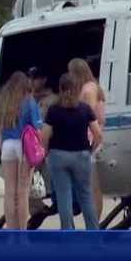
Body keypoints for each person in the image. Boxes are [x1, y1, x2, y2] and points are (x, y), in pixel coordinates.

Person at [43, 74, 103, 230]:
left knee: (64, 197)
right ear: (77, 90)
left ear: (60, 90)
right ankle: (93, 232)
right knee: (86, 196)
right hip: (81, 156)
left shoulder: (54, 110)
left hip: (58, 156)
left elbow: (45, 135)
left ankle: (68, 233)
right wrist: (91, 149)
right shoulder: (85, 109)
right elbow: (98, 134)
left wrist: (46, 152)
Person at [0, 71, 43, 229]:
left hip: (7, 145)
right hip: (24, 146)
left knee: (9, 192)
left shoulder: (2, 102)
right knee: (23, 193)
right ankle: (22, 235)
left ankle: (11, 233)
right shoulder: (29, 102)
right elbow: (37, 129)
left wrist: (1, 149)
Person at [68, 58, 107, 221]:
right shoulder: (94, 86)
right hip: (94, 137)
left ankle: (92, 223)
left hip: (89, 138)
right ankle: (93, 222)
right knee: (92, 186)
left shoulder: (88, 89)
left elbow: (88, 114)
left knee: (90, 187)